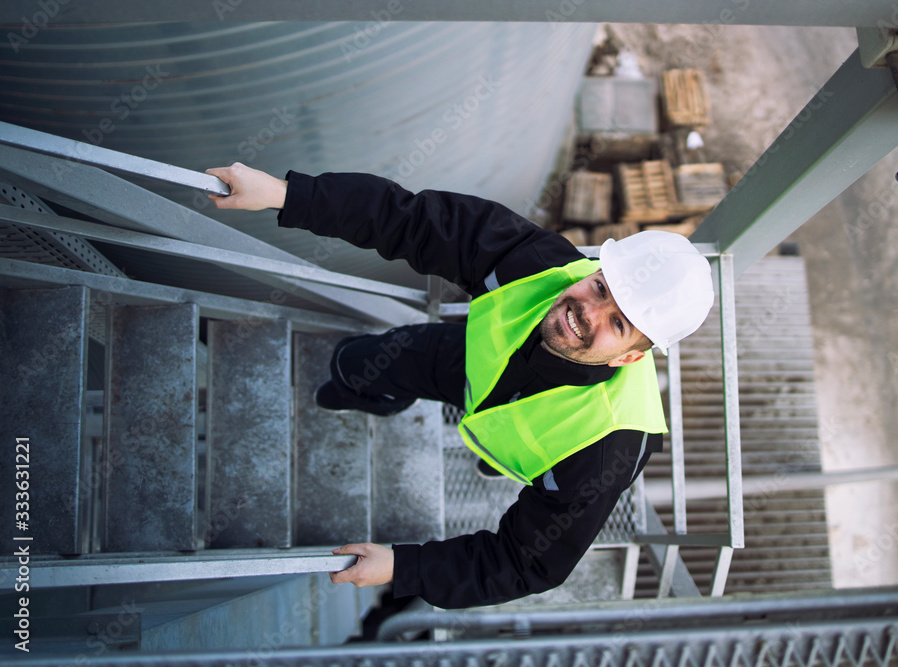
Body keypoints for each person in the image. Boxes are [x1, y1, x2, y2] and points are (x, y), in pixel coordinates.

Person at [206, 162, 714, 609]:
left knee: (506, 453)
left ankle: (493, 458)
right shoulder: (536, 264)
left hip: (535, 444)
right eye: (601, 287)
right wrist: (286, 194)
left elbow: (526, 563)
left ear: (629, 356)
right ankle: (369, 394)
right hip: (474, 368)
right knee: (358, 361)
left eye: (619, 322)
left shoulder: (602, 452)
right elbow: (411, 219)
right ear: (595, 270)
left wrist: (404, 568)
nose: (588, 311)